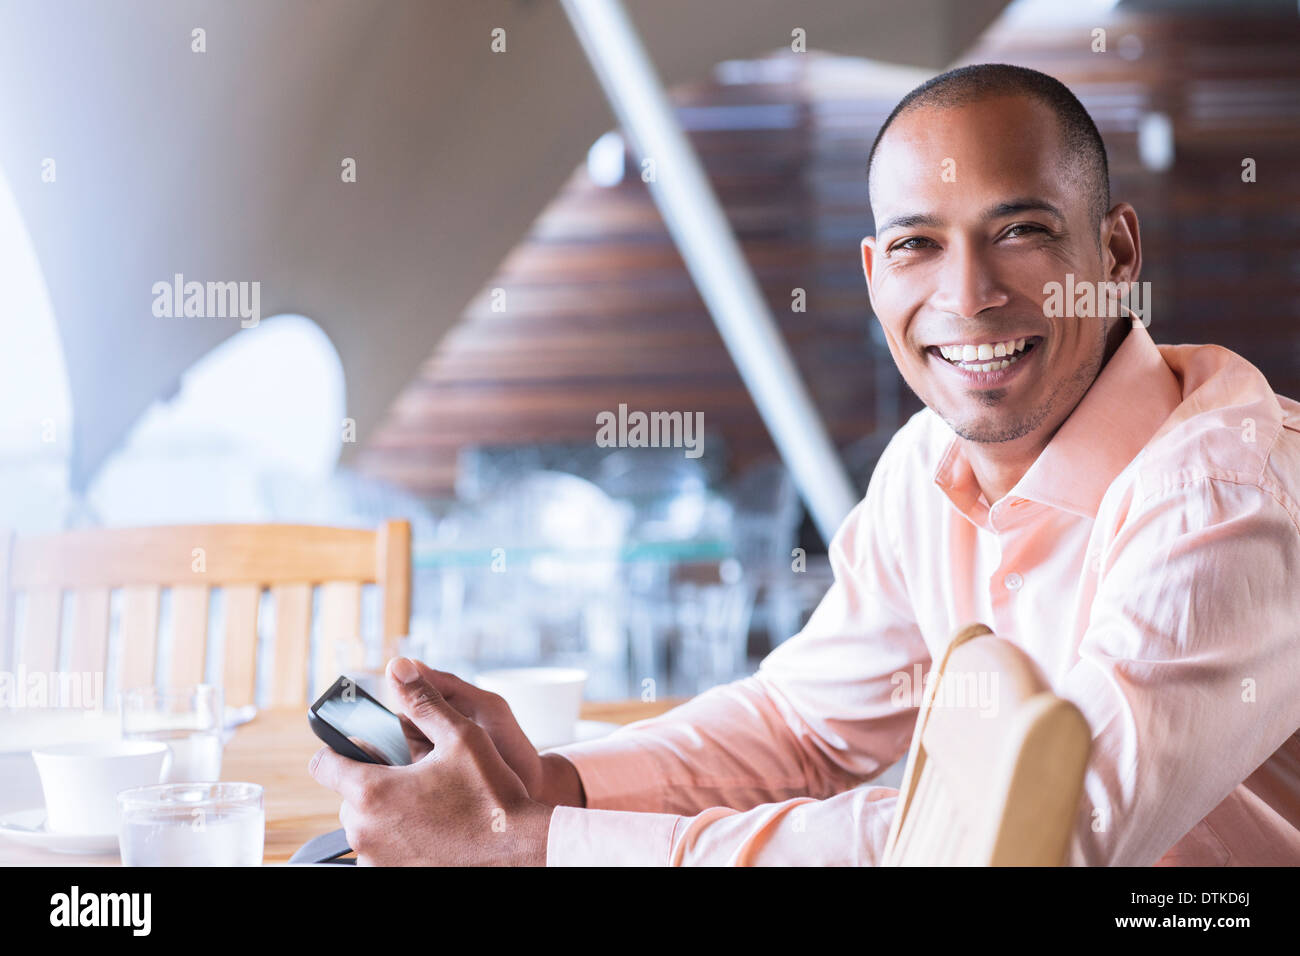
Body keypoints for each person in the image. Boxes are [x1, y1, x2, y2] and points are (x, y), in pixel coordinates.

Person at [309, 63, 1300, 866]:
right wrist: (551, 784)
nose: (967, 293)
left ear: (1117, 252)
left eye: (1020, 231)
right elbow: (802, 725)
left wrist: (540, 848)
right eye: (918, 244)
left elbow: (1009, 840)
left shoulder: (1218, 496)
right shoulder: (928, 466)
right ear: (875, 276)